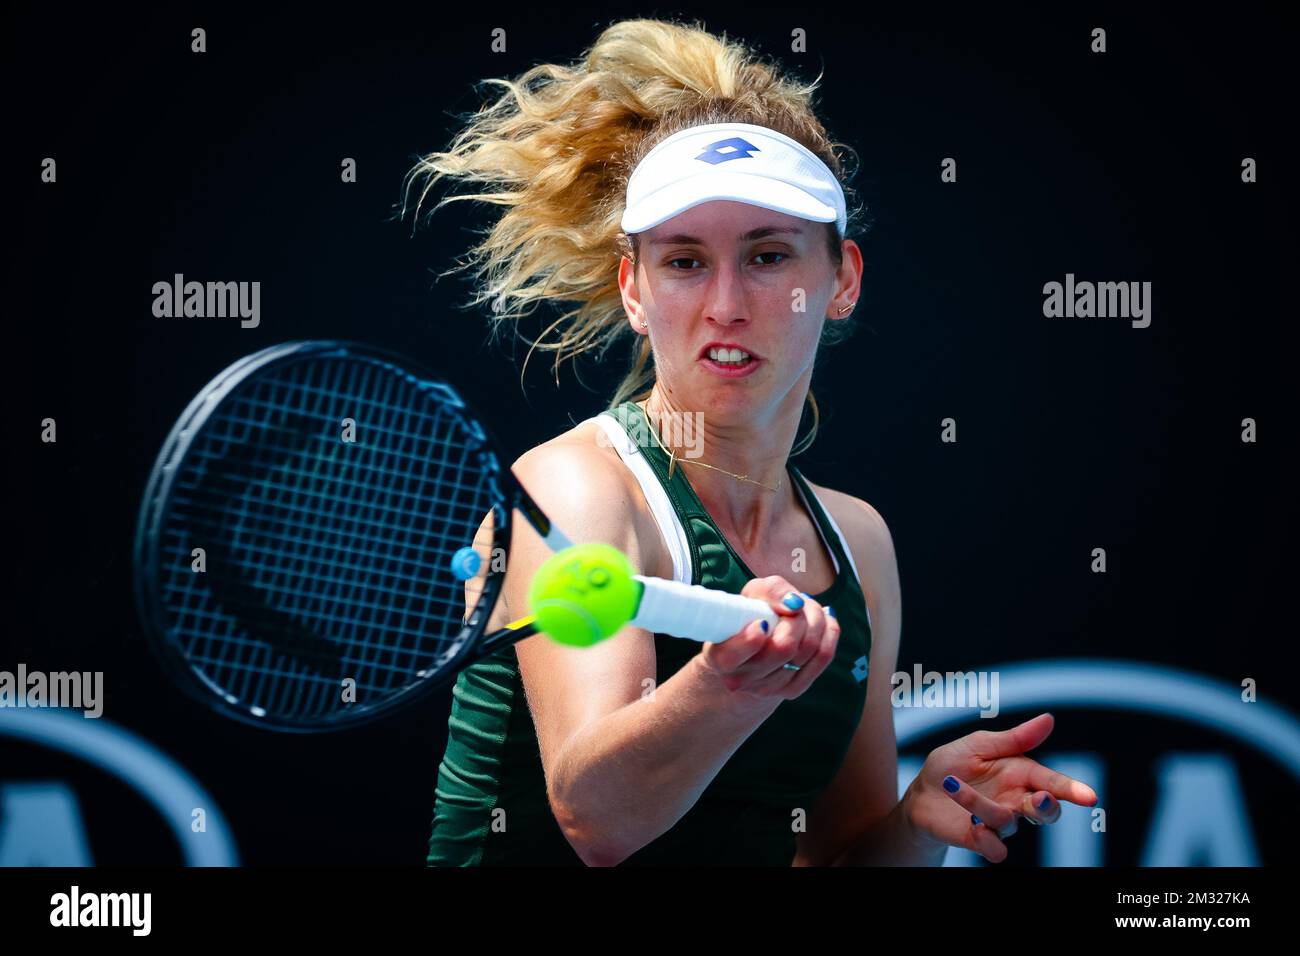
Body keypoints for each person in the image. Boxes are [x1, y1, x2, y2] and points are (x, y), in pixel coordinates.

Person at [405, 17, 1097, 866]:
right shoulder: (574, 492)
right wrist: (726, 685)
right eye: (686, 261)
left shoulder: (859, 544)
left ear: (839, 280)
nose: (726, 303)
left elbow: (839, 857)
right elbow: (597, 821)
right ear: (634, 288)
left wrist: (917, 823)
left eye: (768, 257)